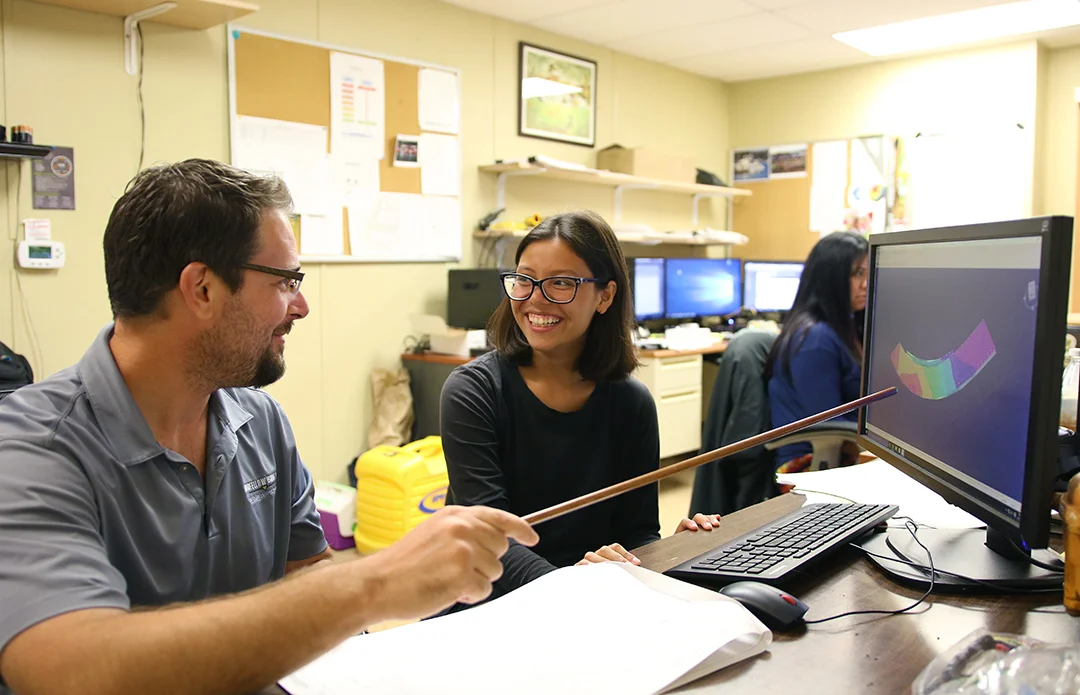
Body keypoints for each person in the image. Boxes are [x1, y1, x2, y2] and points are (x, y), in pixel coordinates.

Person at [0, 159, 538, 695]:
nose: (301, 306)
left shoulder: (259, 422)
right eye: (287, 282)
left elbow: (306, 572)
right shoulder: (32, 449)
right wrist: (374, 582)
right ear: (202, 289)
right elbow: (69, 670)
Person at [439, 211, 721, 606]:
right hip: (485, 601)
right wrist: (571, 587)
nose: (535, 298)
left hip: (587, 600)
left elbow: (637, 533)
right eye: (524, 279)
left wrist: (673, 555)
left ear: (605, 296)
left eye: (561, 283)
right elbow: (490, 534)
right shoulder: (474, 391)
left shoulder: (631, 404)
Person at [766, 231, 869, 474]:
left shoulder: (848, 325)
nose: (866, 283)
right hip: (809, 465)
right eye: (857, 274)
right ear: (831, 278)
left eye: (868, 272)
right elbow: (830, 425)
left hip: (846, 450)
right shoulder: (816, 339)